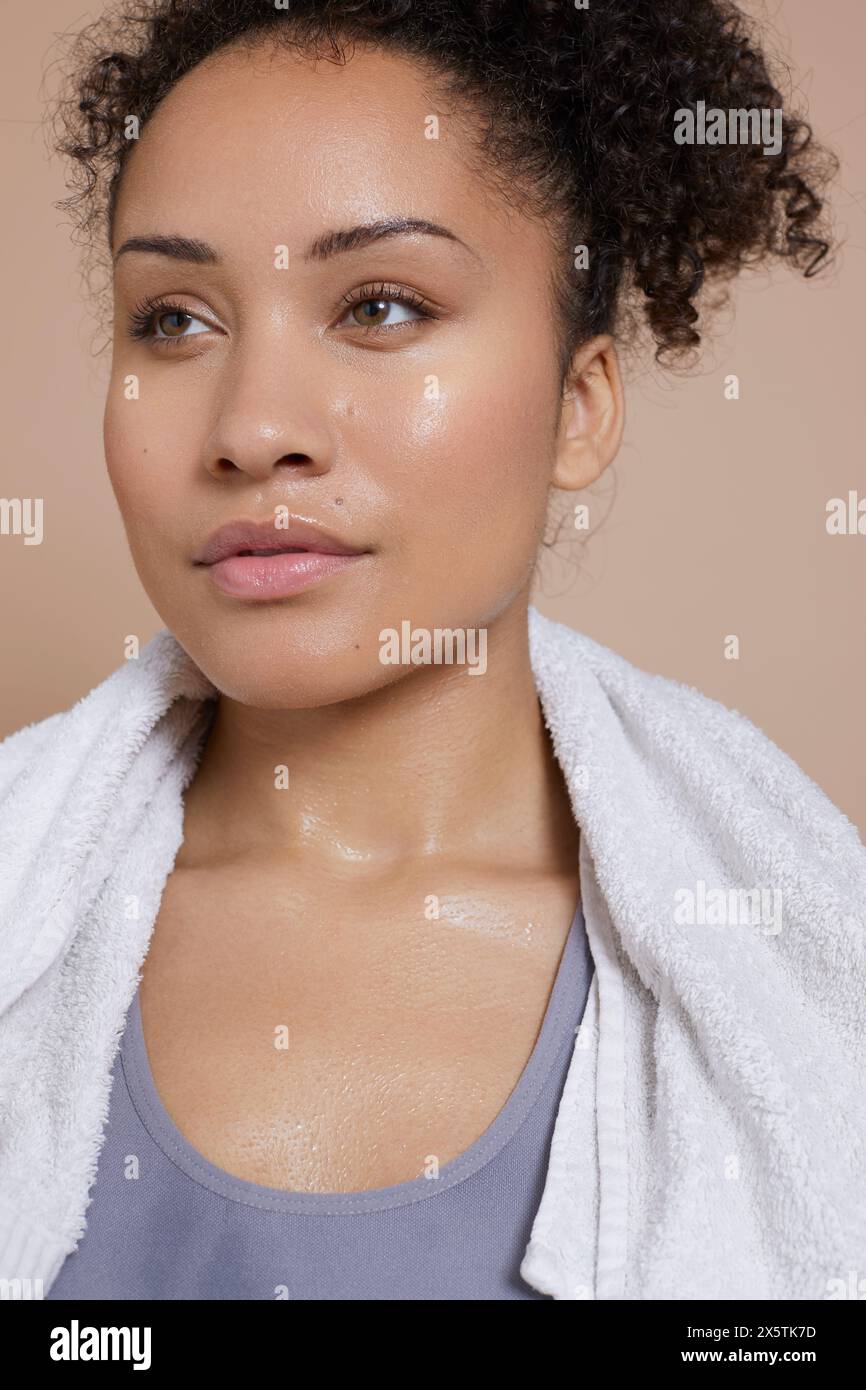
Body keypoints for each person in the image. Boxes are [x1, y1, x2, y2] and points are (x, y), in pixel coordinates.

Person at [1, 0, 862, 1302]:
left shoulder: (786, 969)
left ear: (578, 409)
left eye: (382, 305)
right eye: (173, 318)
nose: (254, 426)